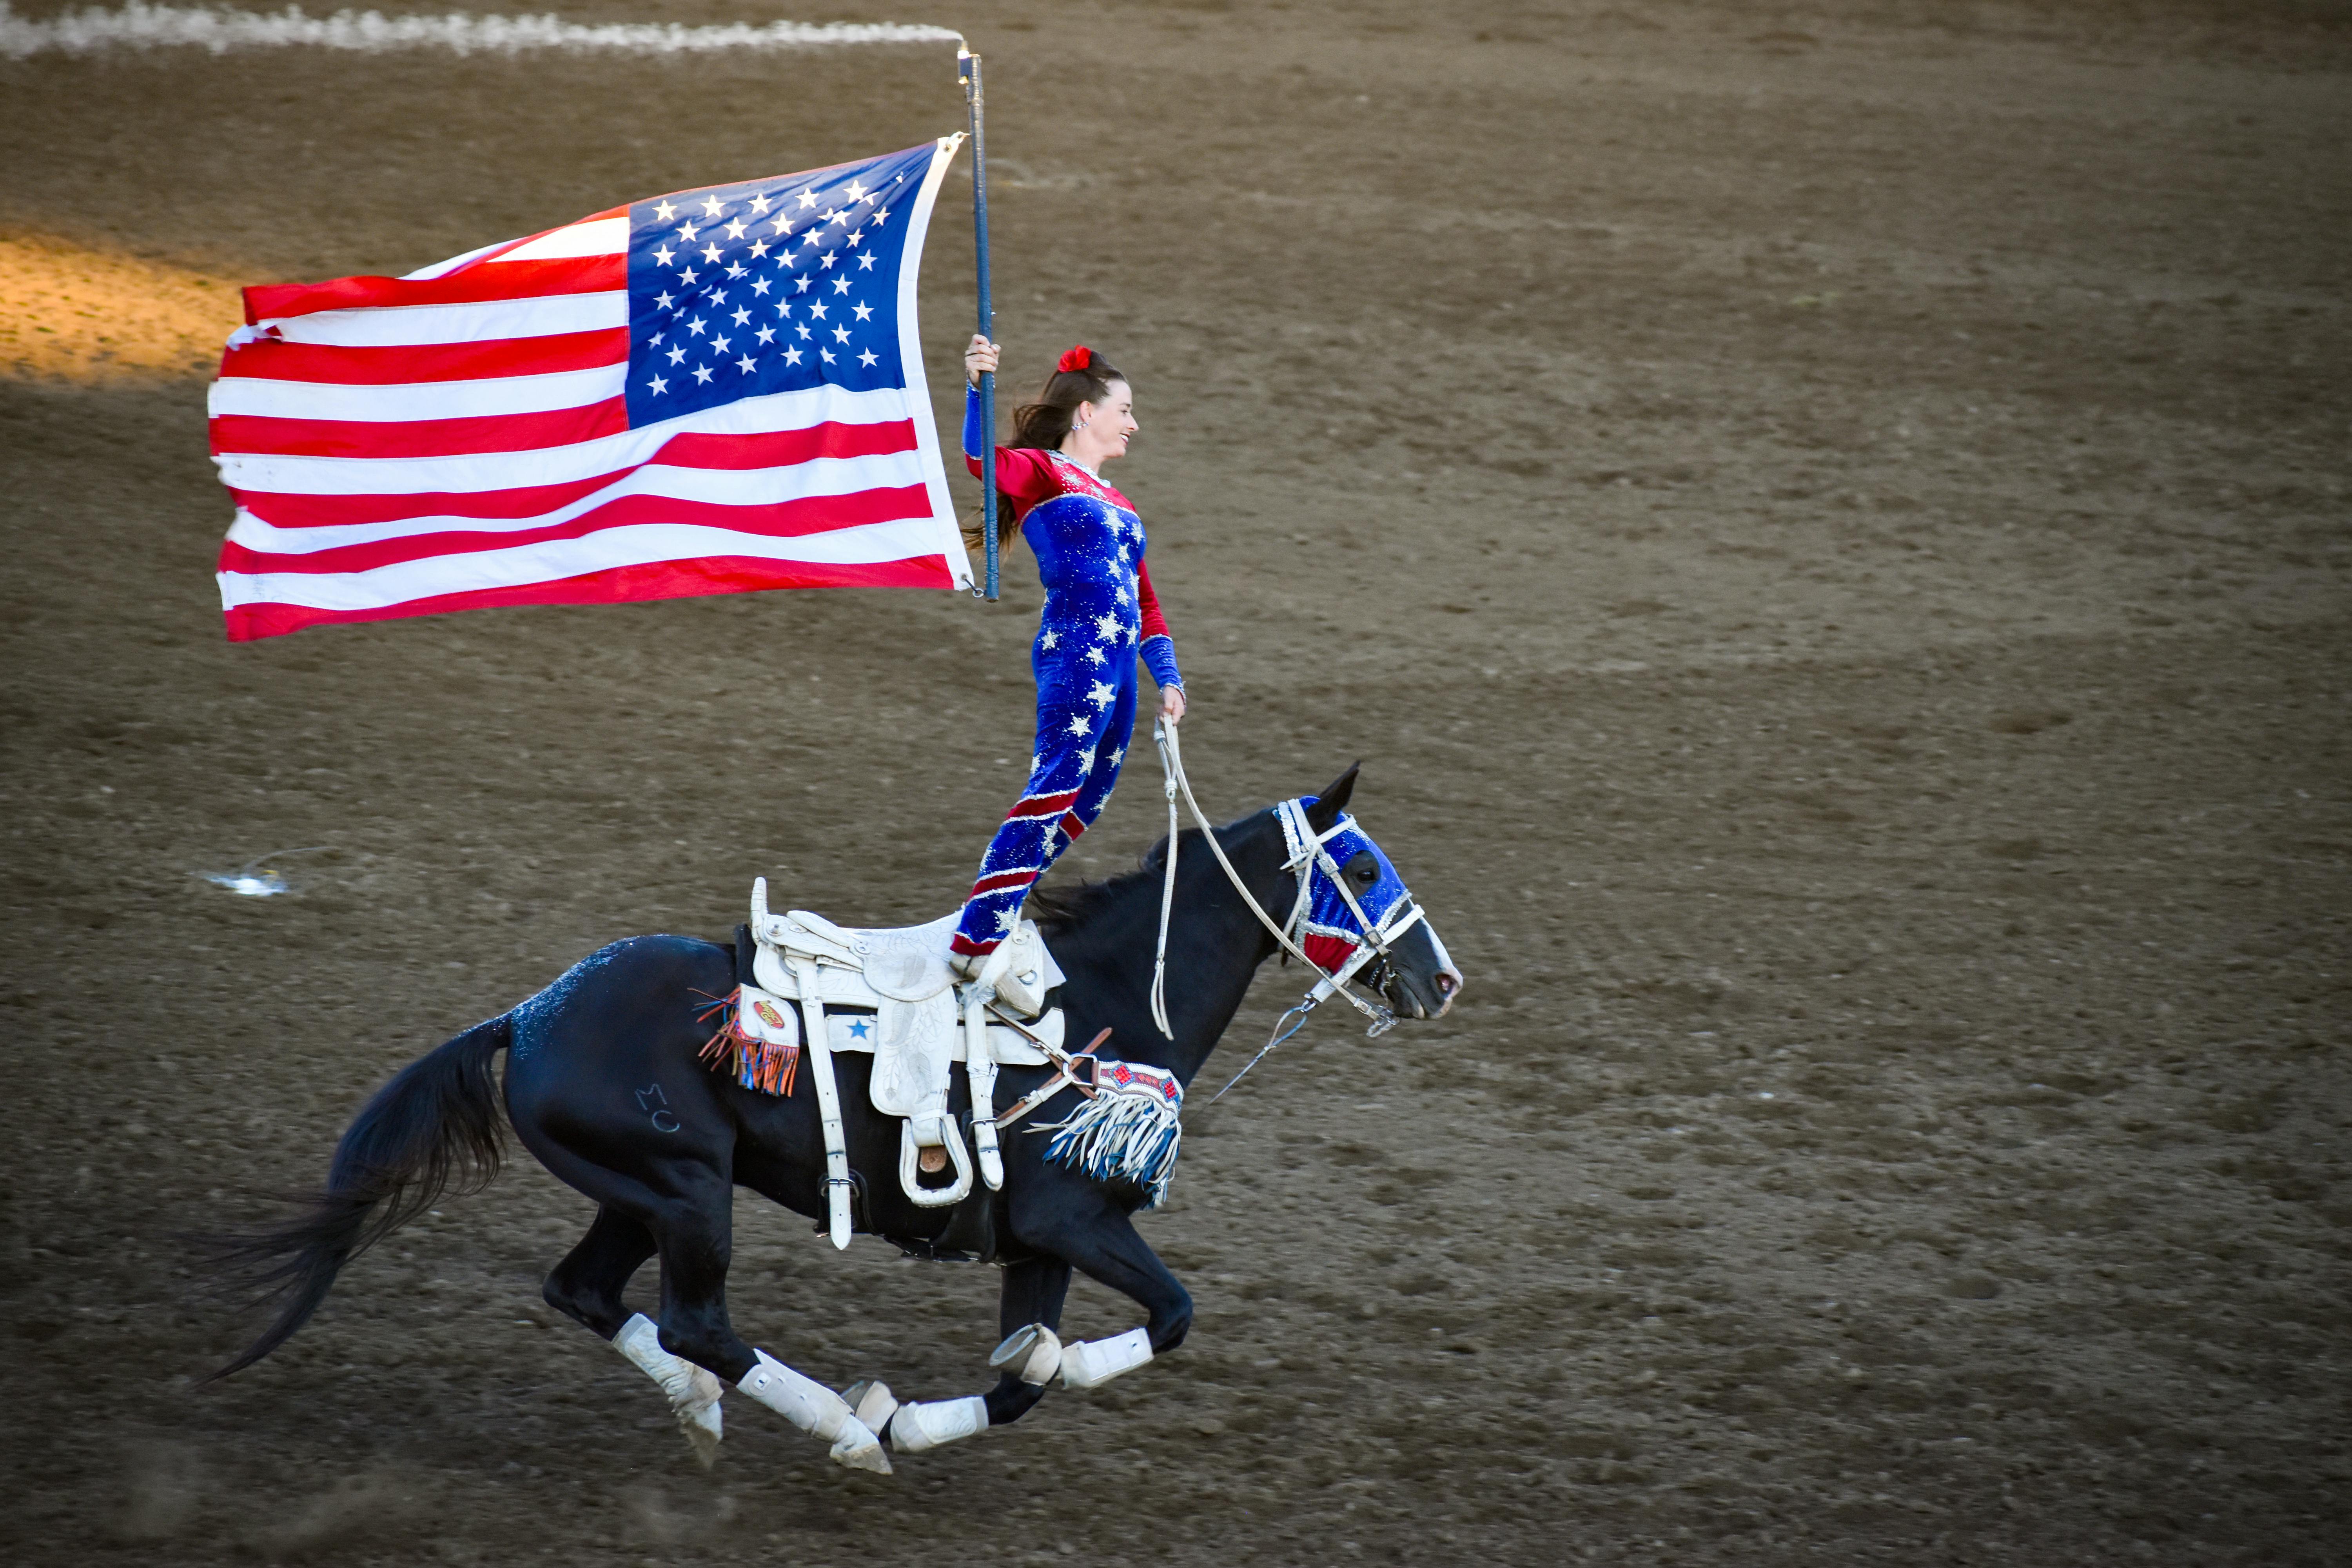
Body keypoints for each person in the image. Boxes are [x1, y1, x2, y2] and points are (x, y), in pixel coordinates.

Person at [950, 336, 1188, 967]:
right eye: (1125, 409)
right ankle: (977, 936)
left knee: (1090, 795)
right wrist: (978, 388)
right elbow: (981, 461)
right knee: (1056, 784)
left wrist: (1169, 677)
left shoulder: (1122, 504)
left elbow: (1148, 602)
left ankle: (994, 911)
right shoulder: (1043, 472)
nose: (1134, 424)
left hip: (1121, 668)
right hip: (1077, 648)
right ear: (1086, 412)